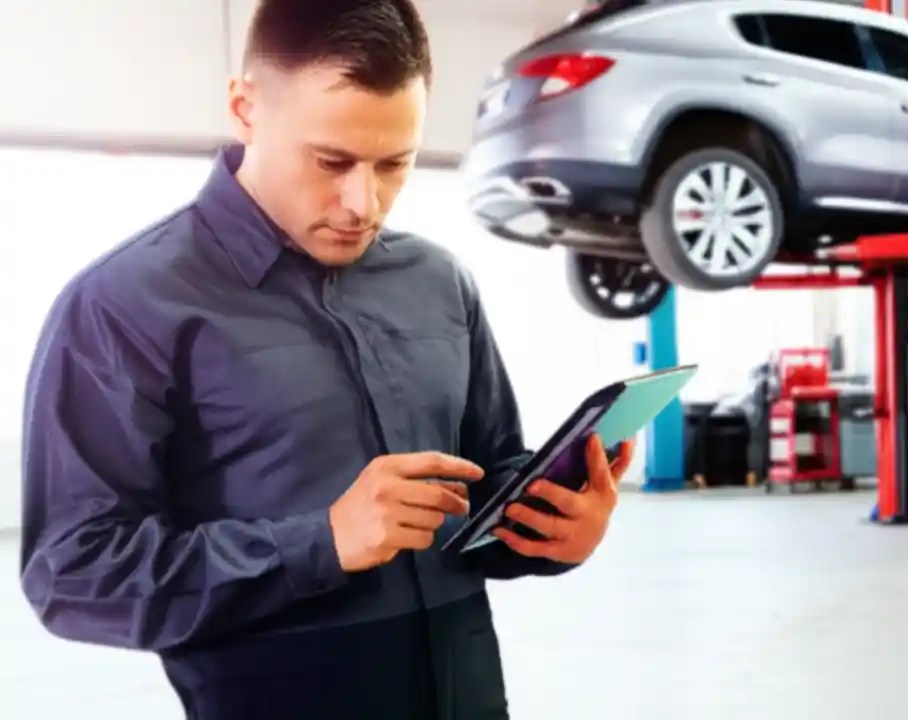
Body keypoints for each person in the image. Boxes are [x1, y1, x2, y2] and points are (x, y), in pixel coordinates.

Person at [17, 1, 634, 717]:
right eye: (331, 161)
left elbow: (484, 486)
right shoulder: (125, 306)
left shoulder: (439, 282)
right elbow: (75, 575)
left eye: (394, 164)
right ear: (245, 108)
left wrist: (555, 530)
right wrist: (320, 542)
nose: (361, 203)